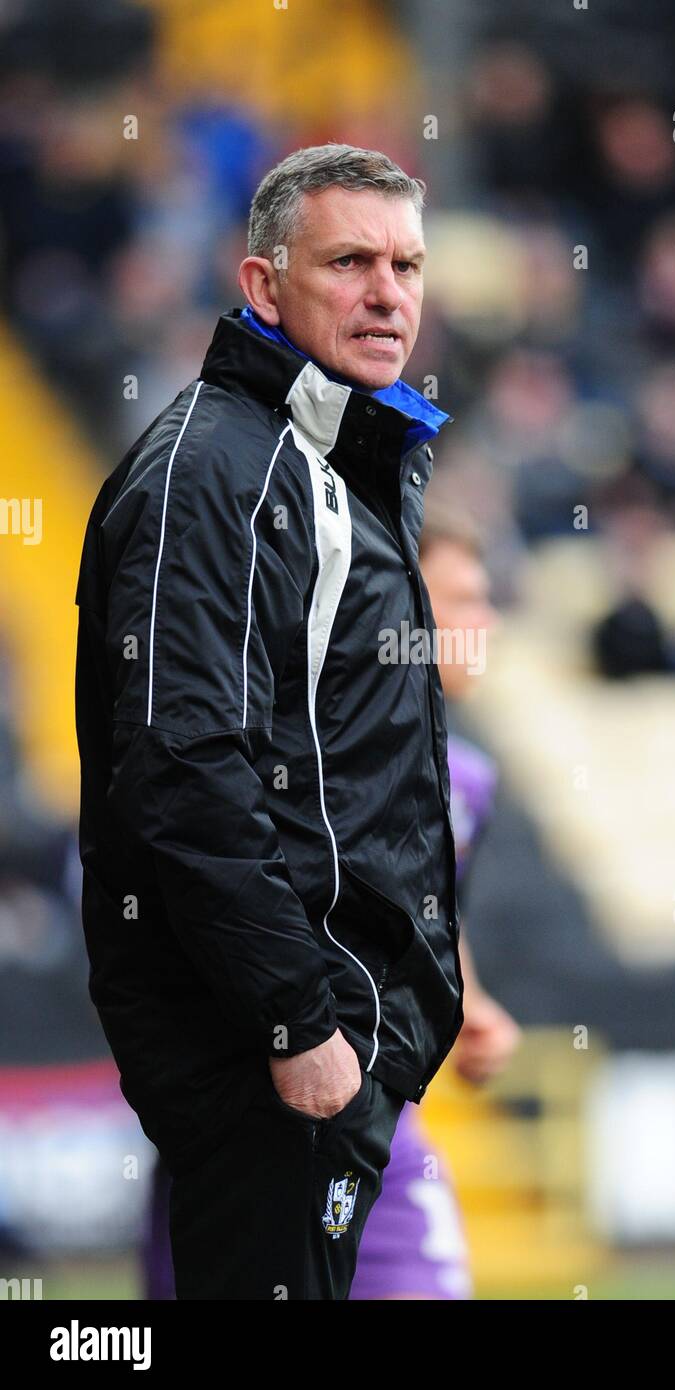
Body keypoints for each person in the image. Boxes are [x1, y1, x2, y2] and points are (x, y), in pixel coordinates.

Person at [74, 143, 465, 1300]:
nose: (387, 292)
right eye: (348, 261)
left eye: (406, 264)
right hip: (270, 1042)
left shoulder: (331, 460)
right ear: (262, 285)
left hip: (327, 1030)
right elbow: (183, 763)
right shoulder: (215, 472)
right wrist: (300, 1021)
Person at [140, 502, 522, 1300]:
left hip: (369, 1124)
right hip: (244, 1113)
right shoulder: (291, 753)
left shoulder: (468, 780)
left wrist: (472, 1002)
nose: (479, 622)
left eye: (483, 599)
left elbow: (420, 920)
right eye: (454, 600)